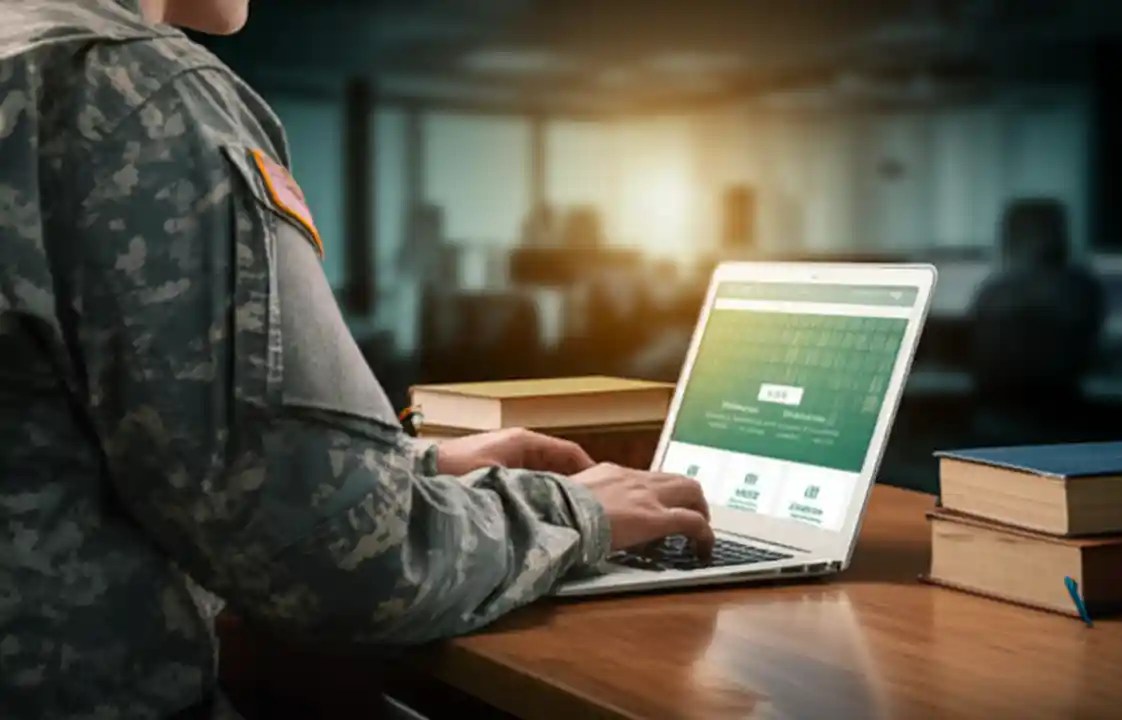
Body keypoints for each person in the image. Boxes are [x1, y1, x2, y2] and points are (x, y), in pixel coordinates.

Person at [0, 2, 713, 718]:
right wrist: (575, 510)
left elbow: (104, 452)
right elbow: (343, 562)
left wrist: (406, 471)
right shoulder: (124, 89)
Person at [968, 198, 1107, 444]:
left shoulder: (992, 292)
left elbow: (975, 358)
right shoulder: (1084, 289)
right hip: (1065, 426)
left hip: (996, 426)